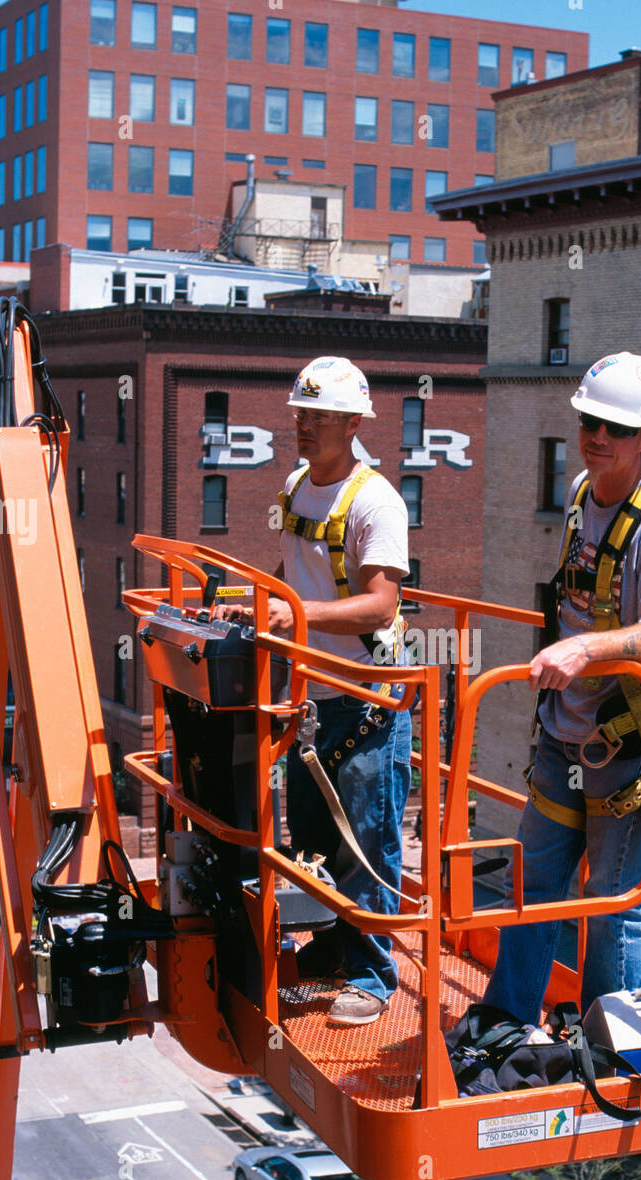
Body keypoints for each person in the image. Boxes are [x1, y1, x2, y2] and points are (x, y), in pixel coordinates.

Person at [482, 351, 641, 1025]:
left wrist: (582, 648)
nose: (597, 436)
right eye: (589, 421)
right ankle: (504, 1021)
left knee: (613, 904)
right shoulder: (584, 492)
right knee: (535, 884)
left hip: (623, 747)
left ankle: (604, 1041)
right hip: (561, 738)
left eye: (614, 427)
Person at [216, 356, 411, 1026]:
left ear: (353, 422)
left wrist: (288, 617)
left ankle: (373, 976)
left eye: (321, 416)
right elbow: (291, 566)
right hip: (313, 689)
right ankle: (331, 951)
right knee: (313, 835)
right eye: (301, 413)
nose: (306, 425)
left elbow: (381, 604)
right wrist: (257, 600)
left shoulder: (375, 501)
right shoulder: (299, 483)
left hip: (365, 697)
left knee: (365, 841)